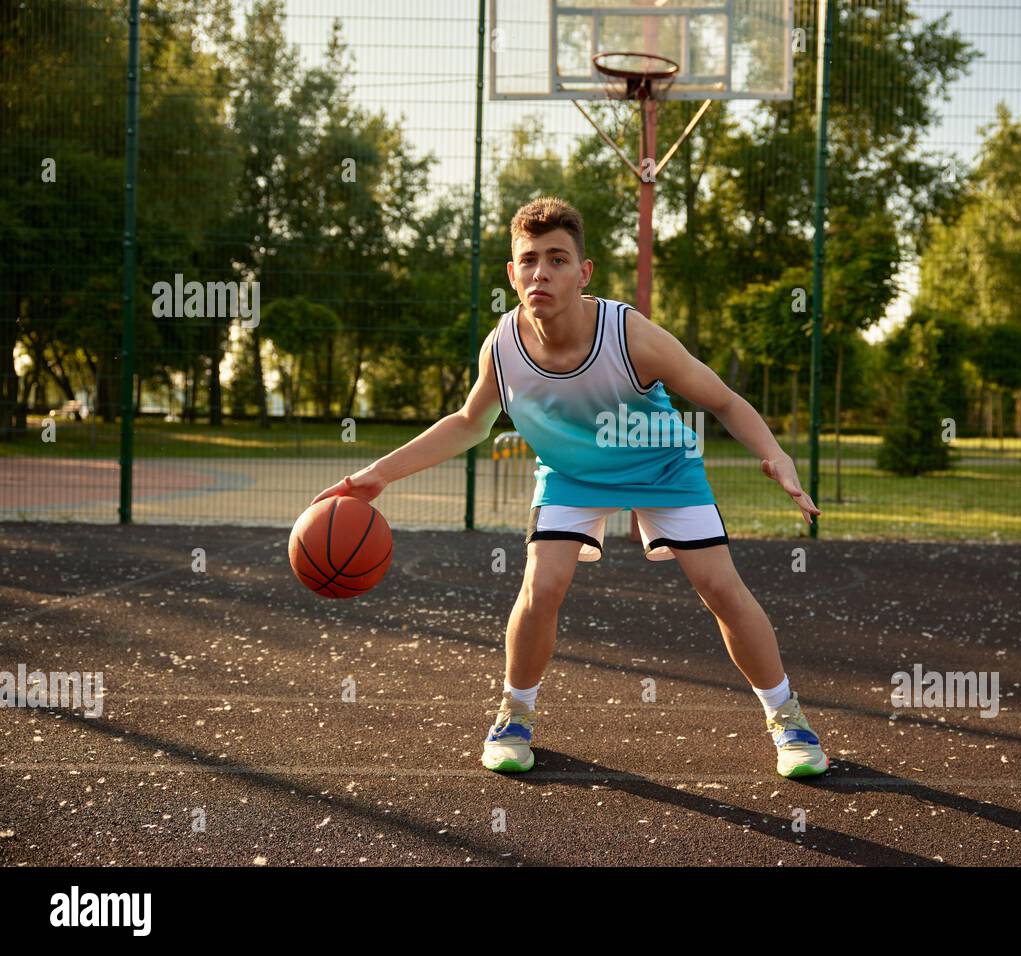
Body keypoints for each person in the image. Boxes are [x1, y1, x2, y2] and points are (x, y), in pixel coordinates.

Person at [312, 196, 827, 779]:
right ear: (512, 273)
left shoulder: (628, 333)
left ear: (583, 273)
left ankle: (787, 717)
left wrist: (776, 456)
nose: (541, 272)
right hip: (572, 476)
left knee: (721, 589)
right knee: (542, 585)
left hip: (661, 467)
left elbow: (723, 399)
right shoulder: (502, 347)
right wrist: (374, 474)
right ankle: (515, 714)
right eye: (529, 260)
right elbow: (466, 424)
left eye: (558, 259)